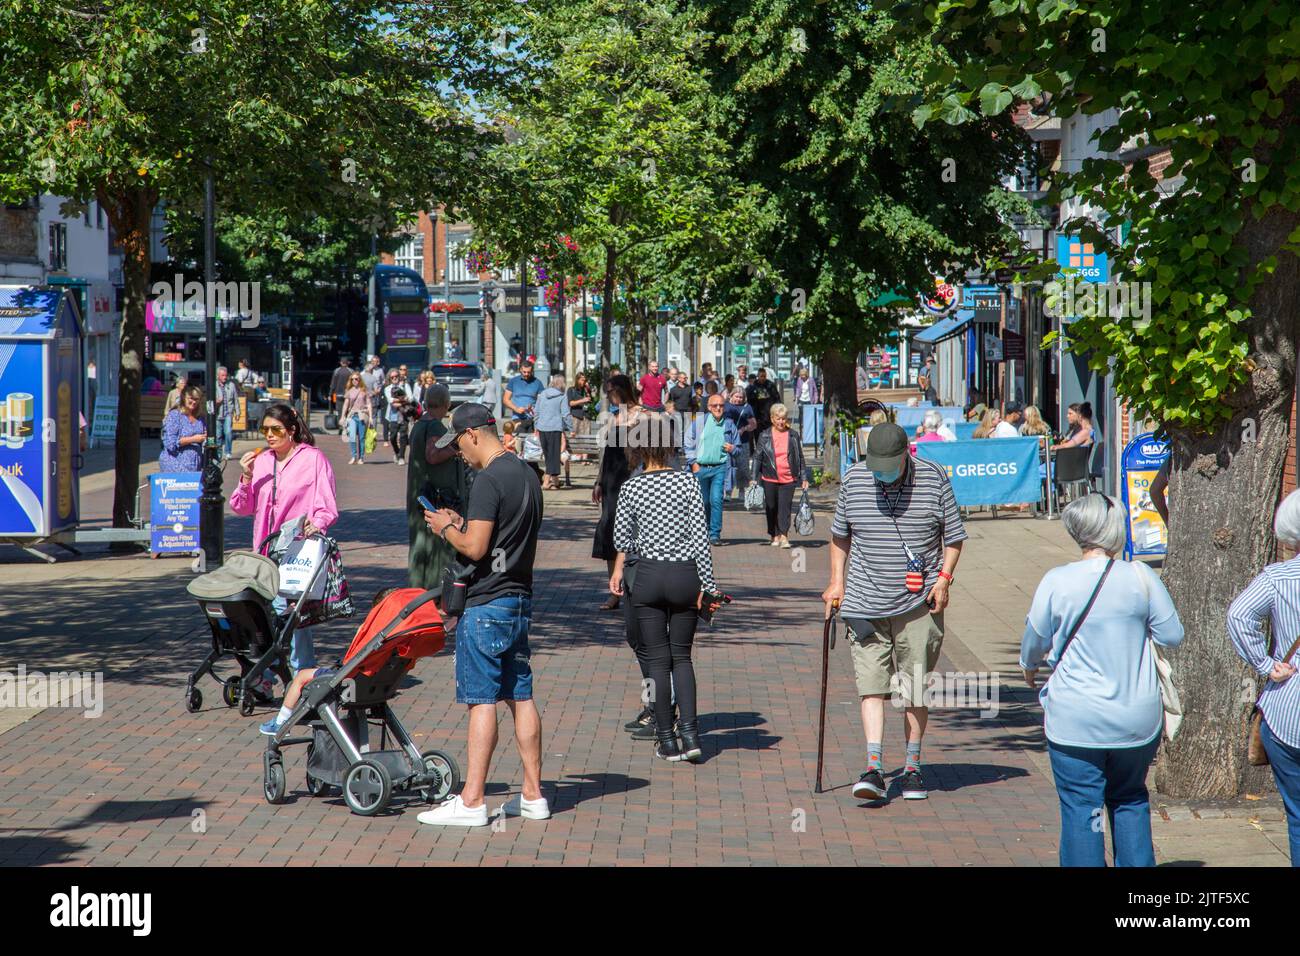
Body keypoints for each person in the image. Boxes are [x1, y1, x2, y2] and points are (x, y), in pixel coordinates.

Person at [1021, 493, 1183, 867]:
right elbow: (1172, 634)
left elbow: (1033, 643)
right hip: (1136, 719)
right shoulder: (1141, 577)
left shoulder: (1056, 581)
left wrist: (1029, 666)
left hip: (1075, 720)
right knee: (1130, 798)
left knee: (1082, 806)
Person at [822, 422, 966, 803]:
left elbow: (953, 537)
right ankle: (873, 766)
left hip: (917, 605)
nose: (880, 474)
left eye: (888, 466)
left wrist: (944, 579)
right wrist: (837, 582)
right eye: (876, 466)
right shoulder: (854, 479)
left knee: (914, 686)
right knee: (871, 686)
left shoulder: (933, 479)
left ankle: (913, 767)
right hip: (865, 602)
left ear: (906, 455)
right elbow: (840, 535)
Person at [419, 402, 547, 826]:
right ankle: (533, 794)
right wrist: (462, 523)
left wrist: (444, 528)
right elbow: (501, 536)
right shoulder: (526, 472)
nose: (459, 454)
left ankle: (472, 801)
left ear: (473, 433)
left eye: (458, 445)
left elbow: (475, 548)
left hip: (488, 602)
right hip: (519, 597)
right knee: (521, 694)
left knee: (481, 701)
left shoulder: (488, 478)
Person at [610, 415, 722, 762]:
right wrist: (710, 585)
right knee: (682, 658)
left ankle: (666, 739)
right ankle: (691, 735)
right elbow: (701, 539)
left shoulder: (632, 487)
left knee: (657, 661)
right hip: (685, 575)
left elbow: (620, 539)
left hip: (647, 576)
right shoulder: (687, 483)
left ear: (640, 448)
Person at [230, 403, 338, 694]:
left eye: (276, 429)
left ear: (291, 431)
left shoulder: (313, 459)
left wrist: (318, 522)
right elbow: (242, 507)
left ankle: (298, 677)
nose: (269, 435)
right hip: (265, 552)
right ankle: (281, 677)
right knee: (268, 616)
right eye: (265, 429)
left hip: (297, 551)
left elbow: (326, 503)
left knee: (290, 615)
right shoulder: (262, 461)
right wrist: (247, 477)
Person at [1228, 489, 1300, 866]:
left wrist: (1267, 664)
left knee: (1299, 817)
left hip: (1288, 709)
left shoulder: (1278, 578)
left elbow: (1239, 616)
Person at [260, 587, 399, 736]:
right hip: (379, 682)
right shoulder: (400, 634)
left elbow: (353, 658)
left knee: (301, 676)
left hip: (353, 679)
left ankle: (281, 722)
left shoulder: (370, 630)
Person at [407, 384, 468, 591]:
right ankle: (435, 591)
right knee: (436, 545)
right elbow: (433, 454)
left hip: (420, 493)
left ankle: (418, 589)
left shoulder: (420, 424)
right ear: (446, 403)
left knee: (420, 544)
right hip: (437, 496)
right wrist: (456, 451)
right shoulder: (434, 425)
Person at [593, 374, 640, 611]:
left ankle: (633, 586)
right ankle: (614, 590)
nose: (609, 395)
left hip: (632, 480)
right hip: (611, 483)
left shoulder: (642, 415)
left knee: (634, 533)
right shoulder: (613, 417)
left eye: (611, 391)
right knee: (610, 531)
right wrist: (599, 481)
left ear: (622, 390)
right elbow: (606, 454)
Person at [684, 393, 740, 545]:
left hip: (720, 468)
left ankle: (714, 534)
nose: (718, 408)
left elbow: (738, 449)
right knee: (704, 502)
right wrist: (693, 463)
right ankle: (704, 530)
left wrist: (733, 449)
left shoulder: (729, 424)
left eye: (721, 405)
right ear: (709, 407)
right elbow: (688, 441)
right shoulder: (700, 422)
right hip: (700, 468)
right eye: (715, 405)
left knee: (716, 500)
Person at [755, 403, 809, 548]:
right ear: (772, 419)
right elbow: (758, 457)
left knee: (785, 507)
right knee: (771, 507)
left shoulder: (793, 435)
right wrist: (753, 478)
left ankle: (784, 536)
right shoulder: (765, 435)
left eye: (783, 418)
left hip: (788, 478)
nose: (781, 422)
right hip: (769, 477)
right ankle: (774, 534)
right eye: (778, 418)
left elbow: (800, 457)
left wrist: (804, 477)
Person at [534, 373, 574, 490]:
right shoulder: (562, 396)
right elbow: (566, 414)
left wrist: (536, 426)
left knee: (549, 456)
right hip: (555, 428)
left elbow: (536, 412)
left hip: (542, 428)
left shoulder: (542, 395)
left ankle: (555, 482)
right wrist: (571, 428)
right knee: (554, 456)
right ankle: (546, 482)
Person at [159, 385, 206, 472]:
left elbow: (204, 438)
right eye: (191, 398)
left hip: (195, 466)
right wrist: (193, 439)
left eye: (196, 399)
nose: (194, 402)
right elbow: (170, 444)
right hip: (175, 464)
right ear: (184, 398)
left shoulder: (200, 418)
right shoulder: (175, 415)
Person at [724, 387, 757, 494]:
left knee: (743, 466)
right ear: (731, 395)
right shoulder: (725, 406)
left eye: (741, 397)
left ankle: (742, 490)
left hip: (743, 441)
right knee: (728, 466)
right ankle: (728, 491)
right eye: (736, 396)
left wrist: (744, 429)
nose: (738, 399)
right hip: (727, 441)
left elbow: (754, 424)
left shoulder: (747, 408)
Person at [339, 370, 372, 465]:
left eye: (356, 379)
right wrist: (342, 416)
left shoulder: (364, 390)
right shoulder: (349, 391)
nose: (354, 381)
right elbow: (345, 404)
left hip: (362, 415)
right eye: (352, 379)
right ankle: (354, 456)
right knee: (352, 437)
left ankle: (361, 457)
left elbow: (369, 404)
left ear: (359, 380)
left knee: (361, 438)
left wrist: (370, 417)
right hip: (352, 416)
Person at [503, 359, 543, 425]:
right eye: (524, 372)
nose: (526, 374)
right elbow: (505, 400)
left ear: (532, 371)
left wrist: (533, 408)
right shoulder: (513, 381)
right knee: (519, 434)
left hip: (532, 419)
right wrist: (516, 409)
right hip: (517, 418)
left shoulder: (538, 383)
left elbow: (541, 401)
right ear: (520, 370)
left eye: (529, 372)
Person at [213, 366, 238, 462]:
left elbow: (235, 399)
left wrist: (237, 412)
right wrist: (217, 402)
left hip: (228, 413)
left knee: (228, 432)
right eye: (222, 375)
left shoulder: (231, 385)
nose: (224, 377)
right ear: (218, 376)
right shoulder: (214, 386)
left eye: (225, 375)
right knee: (218, 435)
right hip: (218, 414)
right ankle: (219, 454)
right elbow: (210, 401)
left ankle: (228, 452)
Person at [746, 368, 782, 432]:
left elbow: (776, 398)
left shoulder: (770, 385)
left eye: (764, 376)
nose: (763, 378)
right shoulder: (753, 386)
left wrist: (778, 410)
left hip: (768, 414)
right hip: (758, 415)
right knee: (758, 434)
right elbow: (749, 400)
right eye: (761, 376)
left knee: (769, 433)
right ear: (758, 376)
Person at [567, 372, 594, 436]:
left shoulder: (585, 390)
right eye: (582, 380)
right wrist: (582, 400)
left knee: (587, 439)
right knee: (575, 438)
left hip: (586, 417)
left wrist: (588, 391)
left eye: (585, 380)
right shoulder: (571, 390)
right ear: (577, 380)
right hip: (576, 417)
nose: (584, 382)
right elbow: (570, 403)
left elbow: (591, 402)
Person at [329, 357, 352, 421]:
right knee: (347, 410)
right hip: (348, 395)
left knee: (339, 410)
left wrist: (330, 394)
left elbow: (333, 384)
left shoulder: (336, 371)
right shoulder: (351, 371)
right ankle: (347, 425)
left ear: (341, 363)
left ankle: (340, 425)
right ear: (348, 363)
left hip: (338, 394)